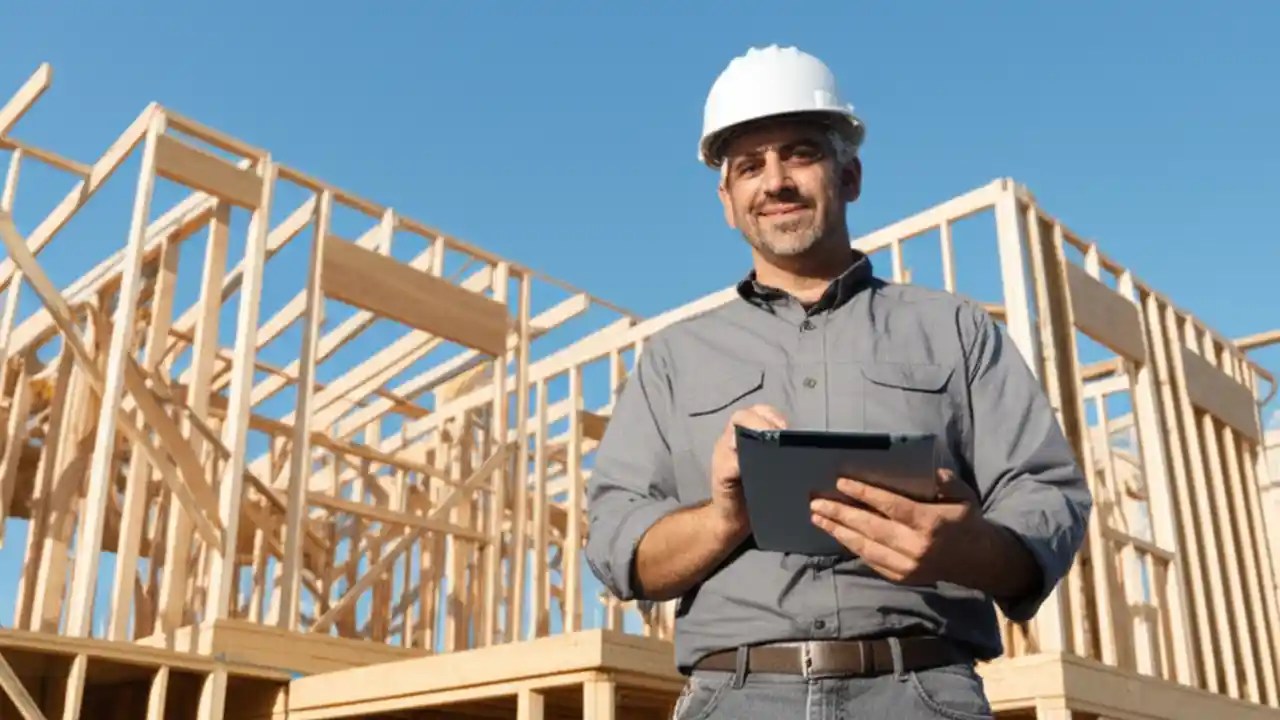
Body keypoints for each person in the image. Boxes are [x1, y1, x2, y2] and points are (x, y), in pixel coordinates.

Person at [584, 44, 1092, 719]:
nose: (776, 181)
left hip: (922, 689)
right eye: (749, 167)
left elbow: (1047, 494)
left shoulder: (955, 329)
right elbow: (620, 546)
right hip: (735, 696)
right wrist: (724, 518)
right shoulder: (674, 358)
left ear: (848, 174)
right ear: (728, 201)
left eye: (799, 153)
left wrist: (965, 548)